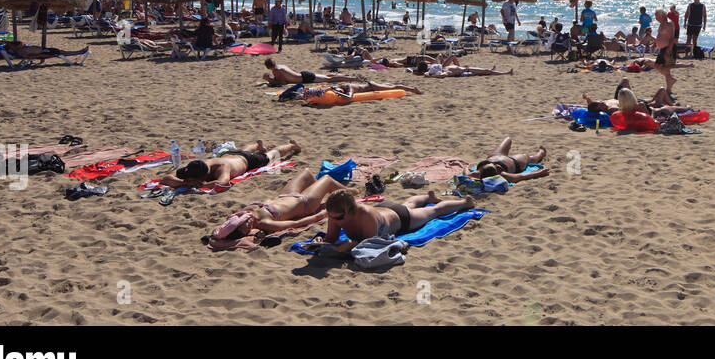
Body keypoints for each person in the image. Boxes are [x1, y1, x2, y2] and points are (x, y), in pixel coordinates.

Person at [208, 167, 348, 241]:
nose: (249, 222)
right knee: (327, 179)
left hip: (286, 195)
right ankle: (351, 192)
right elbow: (295, 224)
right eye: (248, 226)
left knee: (306, 173)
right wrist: (321, 214)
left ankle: (321, 191)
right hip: (305, 203)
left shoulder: (242, 214)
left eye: (245, 222)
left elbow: (222, 230)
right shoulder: (265, 222)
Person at [315, 188, 476, 247]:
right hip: (386, 209)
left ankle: (464, 202)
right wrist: (323, 244)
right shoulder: (336, 213)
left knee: (433, 212)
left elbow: (370, 244)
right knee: (407, 204)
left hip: (401, 218)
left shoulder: (366, 216)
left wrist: (348, 246)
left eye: (338, 218)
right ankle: (427, 197)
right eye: (331, 216)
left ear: (349, 211)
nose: (333, 220)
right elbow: (330, 239)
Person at [157, 140, 302, 189]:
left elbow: (223, 183)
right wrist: (184, 183)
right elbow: (165, 178)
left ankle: (291, 146)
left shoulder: (221, 169)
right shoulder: (197, 165)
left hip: (246, 161)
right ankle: (256, 145)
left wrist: (200, 185)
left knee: (270, 155)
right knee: (240, 152)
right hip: (232, 156)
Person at [470, 138, 550, 182]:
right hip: (515, 162)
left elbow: (465, 172)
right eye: (496, 167)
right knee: (529, 158)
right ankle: (541, 153)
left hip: (496, 155)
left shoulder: (477, 173)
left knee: (508, 139)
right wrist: (539, 173)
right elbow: (521, 176)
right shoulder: (504, 175)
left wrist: (465, 168)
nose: (495, 164)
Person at [263, 58, 367, 87]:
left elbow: (283, 82)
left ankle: (354, 79)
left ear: (268, 68)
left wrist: (269, 80)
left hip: (306, 78)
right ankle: (346, 76)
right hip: (304, 74)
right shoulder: (280, 66)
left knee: (329, 79)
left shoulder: (276, 71)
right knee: (327, 76)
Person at [653, 9, 676, 95]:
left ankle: (669, 88)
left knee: (666, 68)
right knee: (657, 66)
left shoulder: (669, 24)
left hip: (667, 48)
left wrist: (668, 50)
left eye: (657, 16)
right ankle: (671, 80)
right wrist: (655, 44)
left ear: (662, 15)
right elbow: (660, 36)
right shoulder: (661, 24)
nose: (656, 18)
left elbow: (672, 38)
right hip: (662, 48)